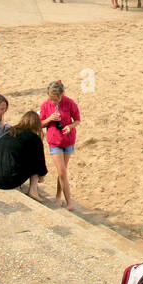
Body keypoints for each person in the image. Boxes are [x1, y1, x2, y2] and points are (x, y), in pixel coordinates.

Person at [0, 110, 47, 200]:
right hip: (8, 180)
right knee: (35, 160)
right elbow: (40, 163)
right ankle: (33, 190)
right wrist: (41, 176)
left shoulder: (9, 131)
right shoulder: (33, 138)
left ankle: (21, 186)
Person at [38, 80, 80, 209]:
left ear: (62, 95)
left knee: (63, 171)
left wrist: (70, 126)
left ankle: (58, 194)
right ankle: (69, 202)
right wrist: (49, 119)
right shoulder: (45, 105)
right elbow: (40, 123)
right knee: (61, 170)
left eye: (56, 99)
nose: (54, 101)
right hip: (54, 141)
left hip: (67, 140)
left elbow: (77, 120)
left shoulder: (69, 103)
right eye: (51, 99)